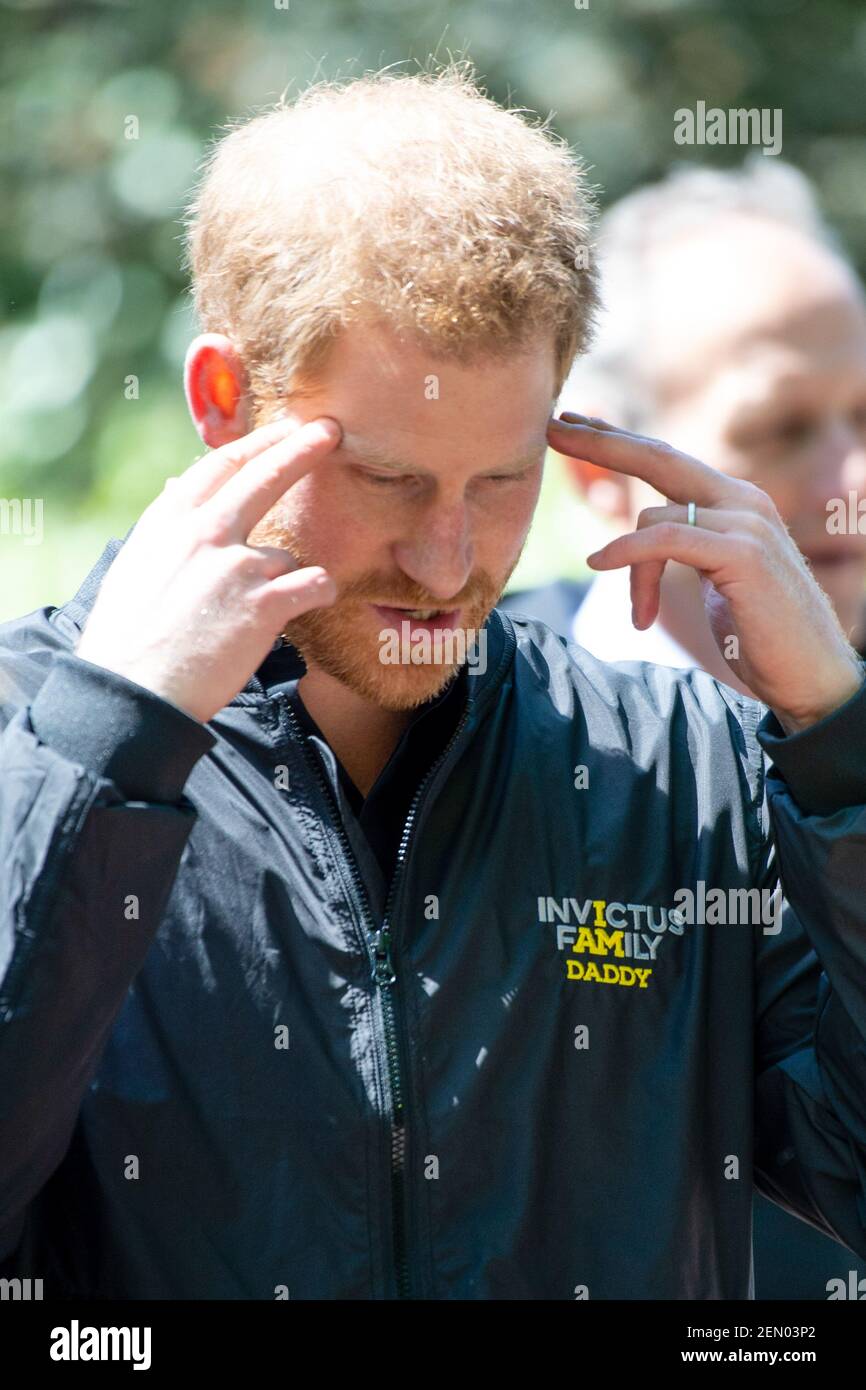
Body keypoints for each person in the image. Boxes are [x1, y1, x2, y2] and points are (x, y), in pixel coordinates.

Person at [1, 67, 866, 1301]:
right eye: (391, 481)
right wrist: (106, 762)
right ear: (219, 400)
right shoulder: (26, 735)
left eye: (501, 479)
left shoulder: (674, 765)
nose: (447, 564)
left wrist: (838, 741)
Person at [500, 162, 866, 1297]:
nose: (852, 478)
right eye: (781, 426)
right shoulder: (467, 724)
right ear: (605, 473)